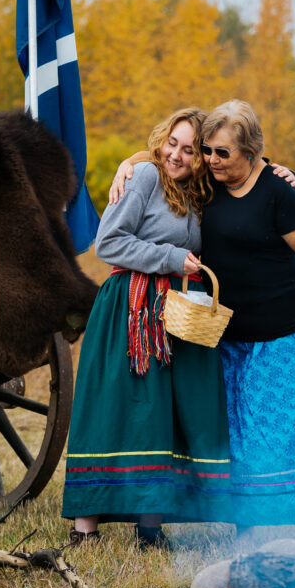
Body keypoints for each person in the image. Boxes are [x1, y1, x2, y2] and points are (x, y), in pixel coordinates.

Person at [110, 101, 295, 553]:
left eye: (222, 152)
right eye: (207, 150)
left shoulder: (279, 192)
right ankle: (246, 534)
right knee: (242, 446)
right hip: (230, 343)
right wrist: (126, 164)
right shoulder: (209, 185)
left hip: (287, 337)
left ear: (250, 152)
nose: (210, 159)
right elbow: (168, 156)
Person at [60, 108, 231, 549]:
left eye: (189, 150)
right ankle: (84, 529)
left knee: (160, 414)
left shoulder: (199, 192)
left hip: (173, 313)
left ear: (202, 156)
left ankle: (149, 527)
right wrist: (170, 258)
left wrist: (282, 173)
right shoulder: (145, 177)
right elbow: (109, 242)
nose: (176, 155)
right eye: (172, 143)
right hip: (129, 309)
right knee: (113, 409)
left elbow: (240, 164)